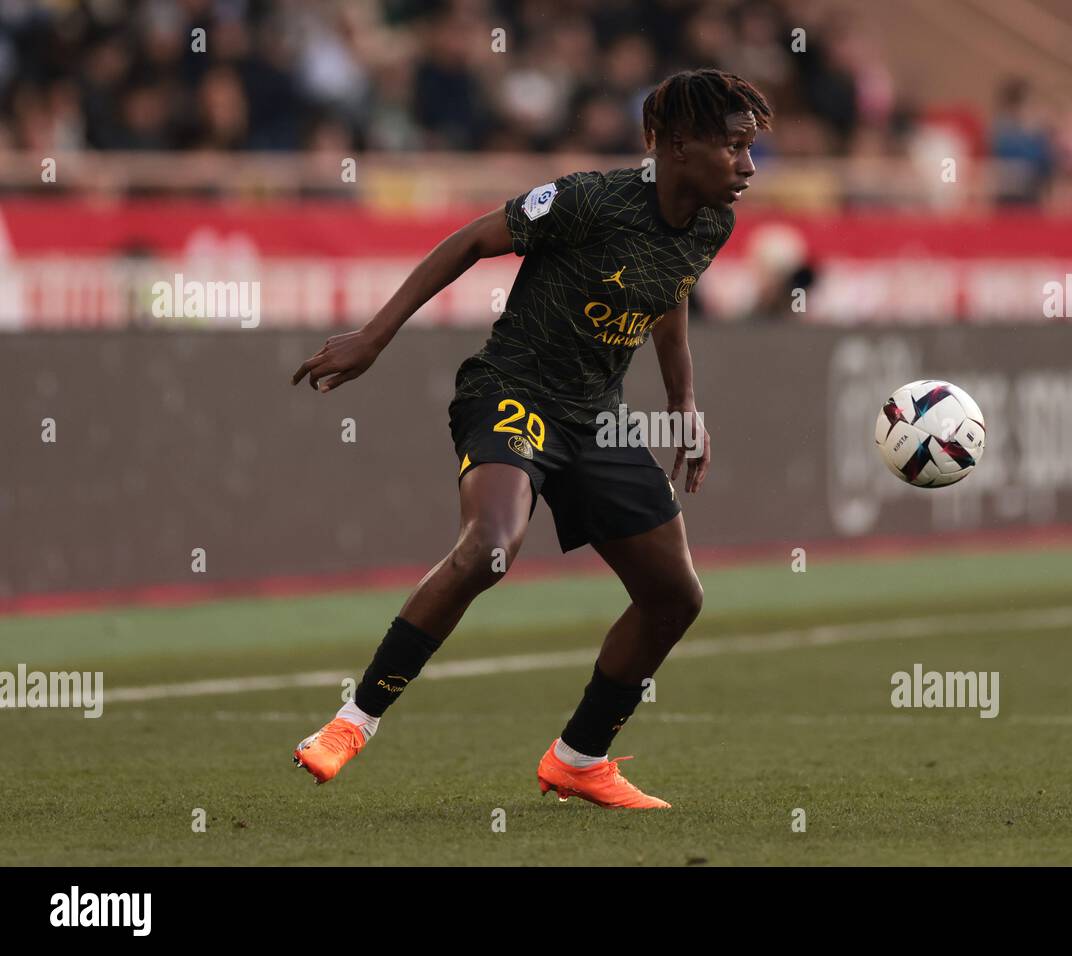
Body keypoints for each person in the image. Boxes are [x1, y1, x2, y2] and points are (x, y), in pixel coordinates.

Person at [289, 69, 772, 808]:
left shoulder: (712, 222)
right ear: (679, 146)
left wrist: (684, 403)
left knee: (675, 597)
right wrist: (373, 338)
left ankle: (579, 757)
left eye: (750, 149)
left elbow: (667, 294)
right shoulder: (590, 199)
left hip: (597, 415)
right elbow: (469, 241)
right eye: (735, 147)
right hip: (515, 392)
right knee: (490, 548)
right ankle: (353, 722)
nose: (748, 166)